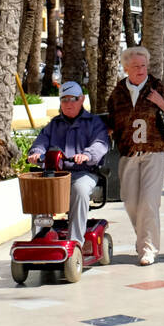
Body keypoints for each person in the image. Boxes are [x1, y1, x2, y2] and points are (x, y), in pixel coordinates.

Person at [106, 47, 164, 266]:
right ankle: (143, 239)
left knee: (149, 202)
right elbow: (111, 119)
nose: (141, 69)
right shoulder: (118, 92)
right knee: (130, 203)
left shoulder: (157, 86)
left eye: (144, 65)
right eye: (136, 66)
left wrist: (161, 103)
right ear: (126, 68)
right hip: (128, 153)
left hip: (153, 151)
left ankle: (148, 248)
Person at [26, 81, 109, 246]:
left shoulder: (94, 123)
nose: (68, 103)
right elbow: (41, 142)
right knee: (38, 190)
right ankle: (40, 238)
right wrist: (36, 153)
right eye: (64, 99)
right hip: (56, 174)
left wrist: (86, 155)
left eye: (73, 99)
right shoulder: (53, 125)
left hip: (83, 172)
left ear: (81, 99)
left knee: (79, 189)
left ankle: (75, 242)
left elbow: (100, 144)